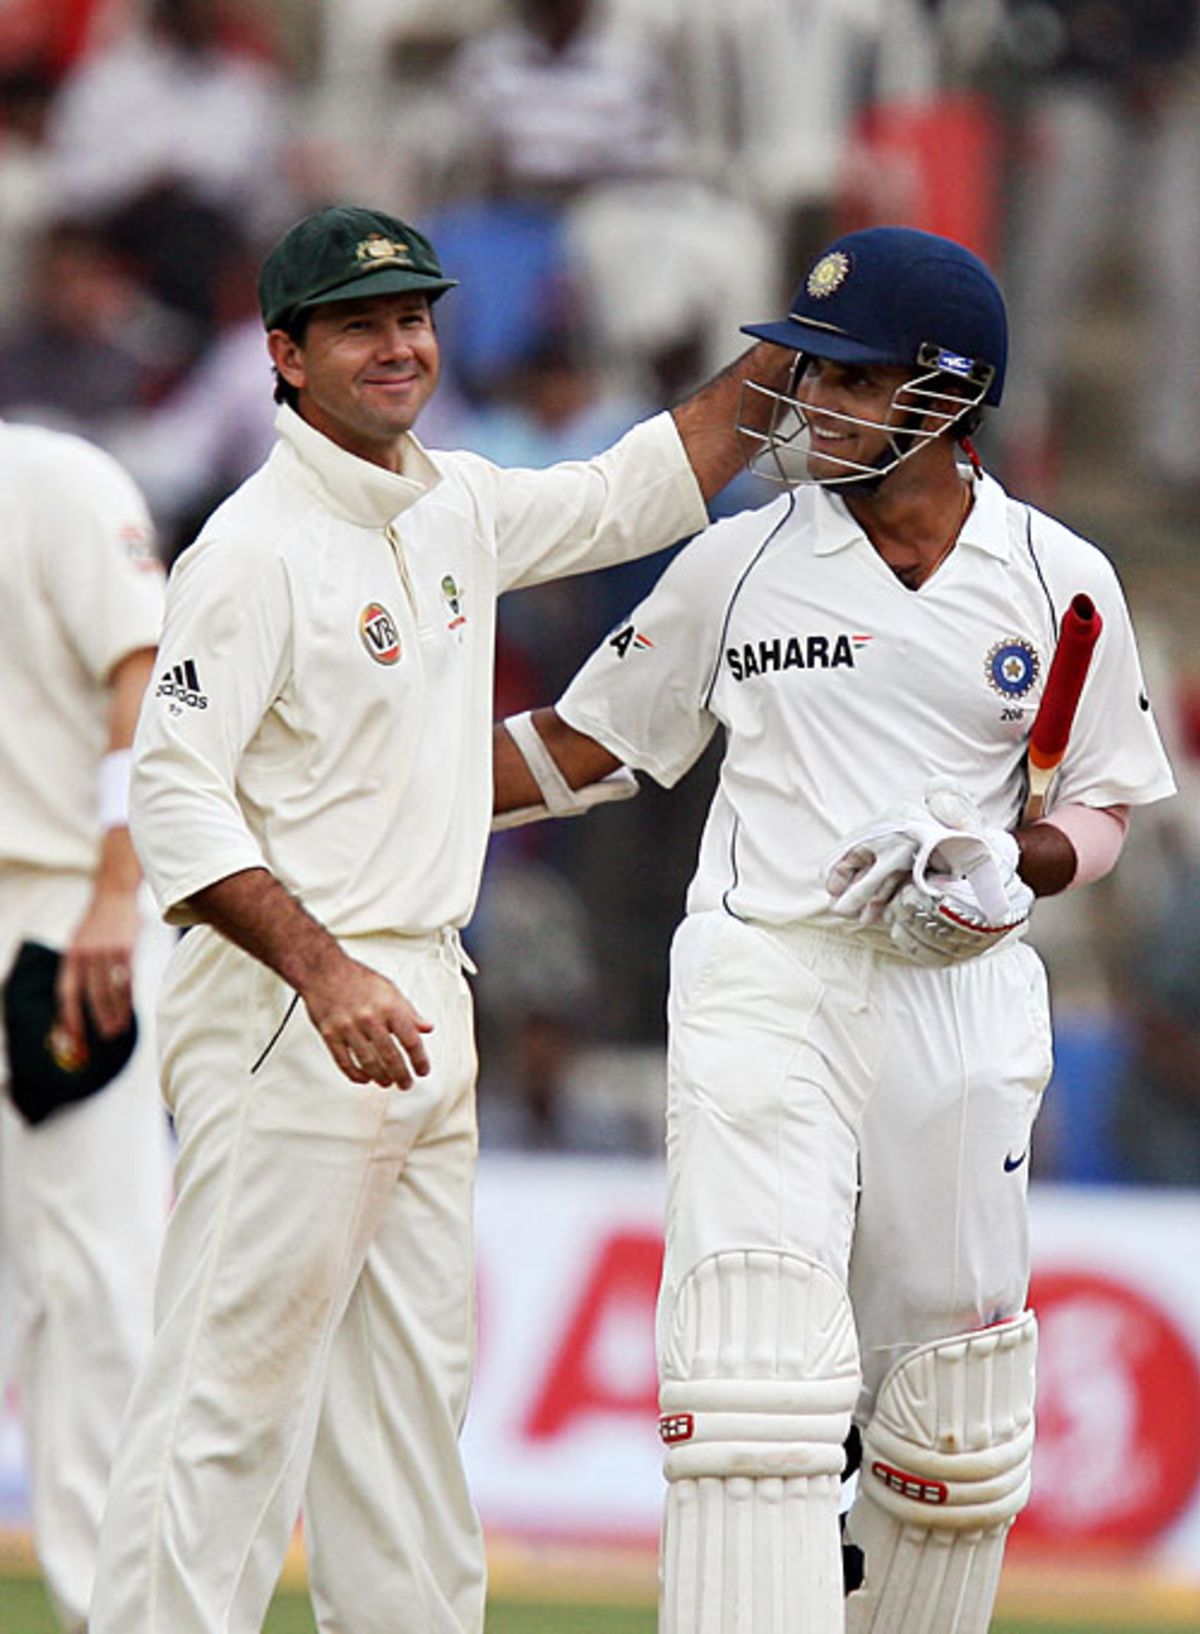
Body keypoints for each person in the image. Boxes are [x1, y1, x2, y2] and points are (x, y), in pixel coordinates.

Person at [89, 202, 791, 1634]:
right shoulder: (251, 548)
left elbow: (630, 490)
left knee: (408, 1410)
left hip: (425, 997)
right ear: (284, 358)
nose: (400, 344)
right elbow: (174, 798)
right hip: (294, 1002)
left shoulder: (451, 499)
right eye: (361, 324)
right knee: (230, 1392)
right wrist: (325, 969)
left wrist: (805, 358)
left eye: (413, 316)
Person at [493, 225, 1176, 1634]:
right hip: (770, 970)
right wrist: (360, 786)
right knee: (753, 1379)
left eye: (851, 381)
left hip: (960, 995)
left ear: (943, 396)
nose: (810, 404)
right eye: (811, 371)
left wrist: (1014, 860)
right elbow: (584, 745)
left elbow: (1099, 800)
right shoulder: (740, 562)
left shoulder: (1059, 582)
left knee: (951, 1416)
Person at [0, 420, 172, 1633]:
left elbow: (144, 672)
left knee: (95, 1287)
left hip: (57, 907)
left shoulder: (54, 480)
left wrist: (119, 888)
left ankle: (108, 1616)